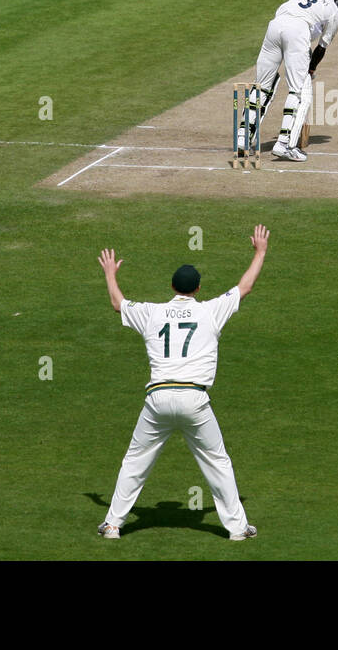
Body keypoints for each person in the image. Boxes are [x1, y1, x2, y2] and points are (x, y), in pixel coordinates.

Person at [96, 224, 270, 541]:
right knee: (217, 462)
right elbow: (244, 287)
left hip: (158, 399)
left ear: (172, 287)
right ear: (198, 289)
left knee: (135, 462)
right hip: (194, 400)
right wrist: (260, 252)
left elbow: (118, 304)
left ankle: (112, 524)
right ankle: (238, 529)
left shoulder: (152, 313)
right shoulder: (210, 311)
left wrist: (110, 273)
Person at [236, 0, 338, 163]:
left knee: (261, 86)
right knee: (298, 91)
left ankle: (242, 138)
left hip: (275, 26)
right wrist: (311, 68)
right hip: (298, 31)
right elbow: (321, 48)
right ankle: (285, 144)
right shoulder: (334, 11)